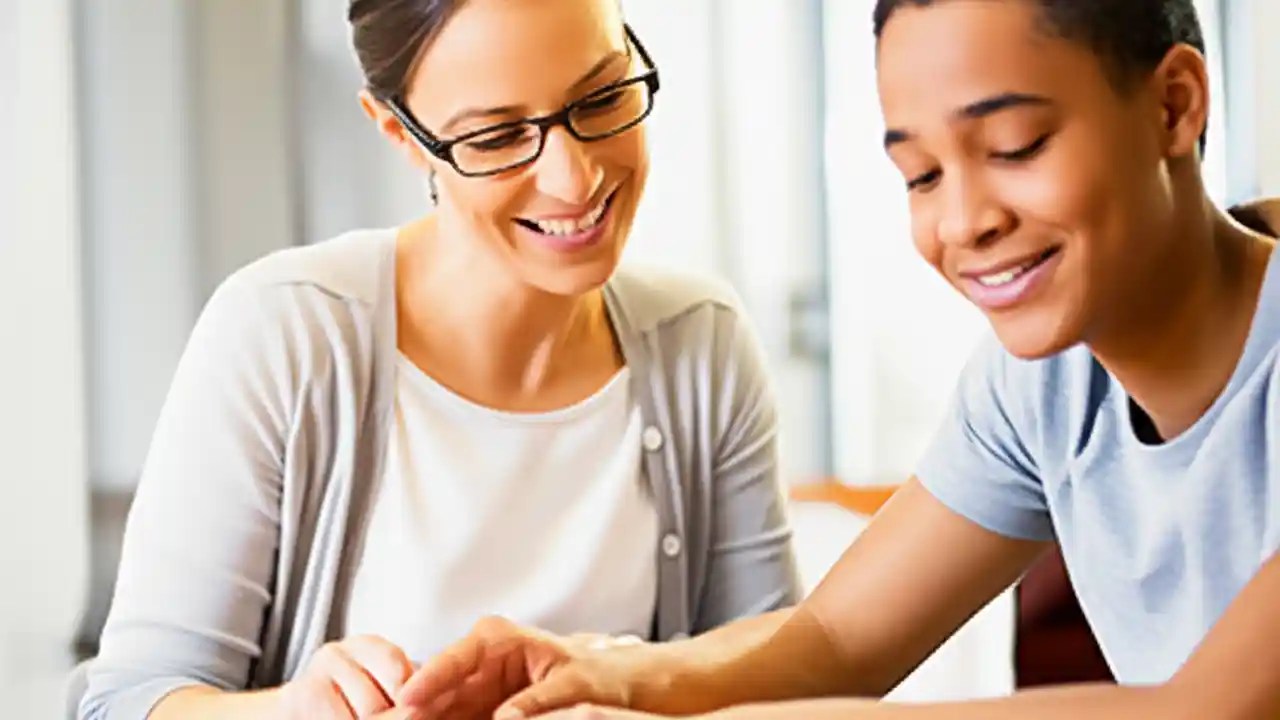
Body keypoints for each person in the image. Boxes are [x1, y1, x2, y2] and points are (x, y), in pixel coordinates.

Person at [392, 1, 1280, 718]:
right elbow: (838, 642)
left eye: (1015, 148)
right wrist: (610, 674)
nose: (965, 221)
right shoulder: (1045, 383)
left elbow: (1209, 708)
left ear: (1174, 106)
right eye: (922, 175)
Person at [74, 0, 802, 718]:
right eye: (496, 136)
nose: (574, 180)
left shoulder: (699, 342)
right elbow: (123, 702)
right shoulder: (285, 333)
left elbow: (792, 676)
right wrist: (293, 712)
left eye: (603, 96)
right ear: (401, 133)